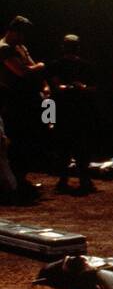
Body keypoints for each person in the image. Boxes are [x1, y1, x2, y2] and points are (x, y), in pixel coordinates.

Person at [0, 16, 47, 200]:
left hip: (28, 99)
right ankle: (15, 181)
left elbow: (29, 67)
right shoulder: (4, 48)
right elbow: (22, 71)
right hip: (13, 100)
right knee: (17, 139)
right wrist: (40, 66)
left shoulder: (19, 47)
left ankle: (21, 178)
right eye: (22, 34)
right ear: (13, 31)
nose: (24, 38)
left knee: (29, 139)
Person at [47, 34, 96, 193]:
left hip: (70, 112)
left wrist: (78, 88)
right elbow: (51, 89)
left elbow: (51, 90)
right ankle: (74, 179)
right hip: (72, 112)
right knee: (71, 147)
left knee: (68, 147)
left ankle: (71, 179)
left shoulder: (58, 65)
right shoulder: (81, 66)